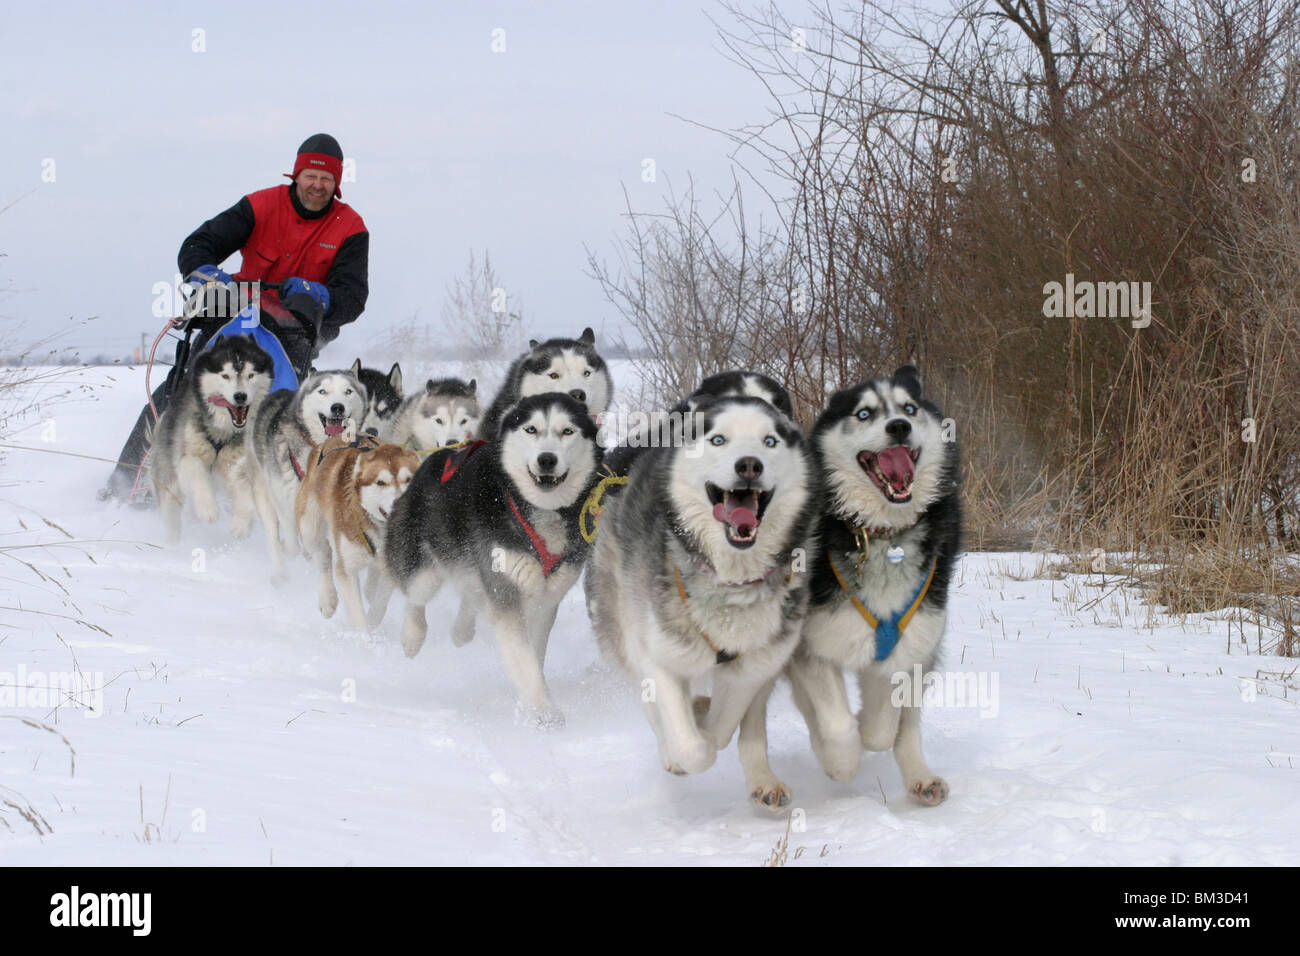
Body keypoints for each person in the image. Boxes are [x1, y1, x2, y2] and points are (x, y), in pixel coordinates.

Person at [102, 133, 370, 503]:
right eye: (311, 175)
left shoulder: (350, 227)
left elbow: (354, 298)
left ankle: (285, 501)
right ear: (296, 175)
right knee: (181, 388)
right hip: (237, 317)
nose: (318, 185)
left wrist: (318, 295)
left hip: (296, 333)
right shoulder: (260, 205)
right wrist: (212, 276)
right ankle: (125, 485)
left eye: (327, 179)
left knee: (286, 411)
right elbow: (197, 247)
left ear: (337, 183)